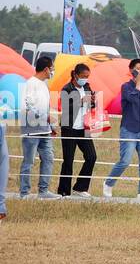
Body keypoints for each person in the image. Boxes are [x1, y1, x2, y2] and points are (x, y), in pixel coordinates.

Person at [104, 58, 140, 200]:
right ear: (131, 70)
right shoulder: (126, 87)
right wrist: (138, 83)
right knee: (125, 161)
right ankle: (108, 183)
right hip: (129, 129)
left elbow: (138, 106)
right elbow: (132, 99)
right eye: (138, 68)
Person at [19, 55, 60, 200]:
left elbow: (45, 107)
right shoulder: (31, 83)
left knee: (48, 158)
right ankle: (24, 193)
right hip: (31, 130)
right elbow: (28, 104)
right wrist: (43, 116)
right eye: (52, 68)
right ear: (46, 69)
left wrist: (50, 124)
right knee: (29, 161)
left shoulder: (44, 84)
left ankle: (43, 190)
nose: (53, 71)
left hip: (45, 129)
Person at [57, 63, 97, 197]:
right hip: (70, 128)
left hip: (83, 128)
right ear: (75, 75)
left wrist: (92, 100)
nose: (85, 79)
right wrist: (80, 100)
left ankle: (80, 187)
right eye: (83, 76)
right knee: (68, 160)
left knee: (91, 156)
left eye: (87, 77)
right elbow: (66, 108)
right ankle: (64, 191)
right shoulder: (66, 89)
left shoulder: (87, 87)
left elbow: (91, 105)